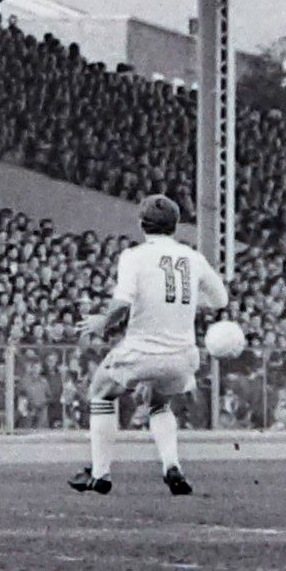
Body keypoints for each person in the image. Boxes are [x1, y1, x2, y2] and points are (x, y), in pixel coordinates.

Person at [70, 194, 227, 497]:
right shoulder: (192, 257)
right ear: (176, 225)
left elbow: (122, 303)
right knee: (159, 402)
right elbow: (220, 300)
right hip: (182, 355)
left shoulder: (134, 256)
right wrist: (193, 304)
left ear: (142, 224)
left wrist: (102, 322)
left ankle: (100, 475)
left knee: (100, 392)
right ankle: (172, 466)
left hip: (141, 350)